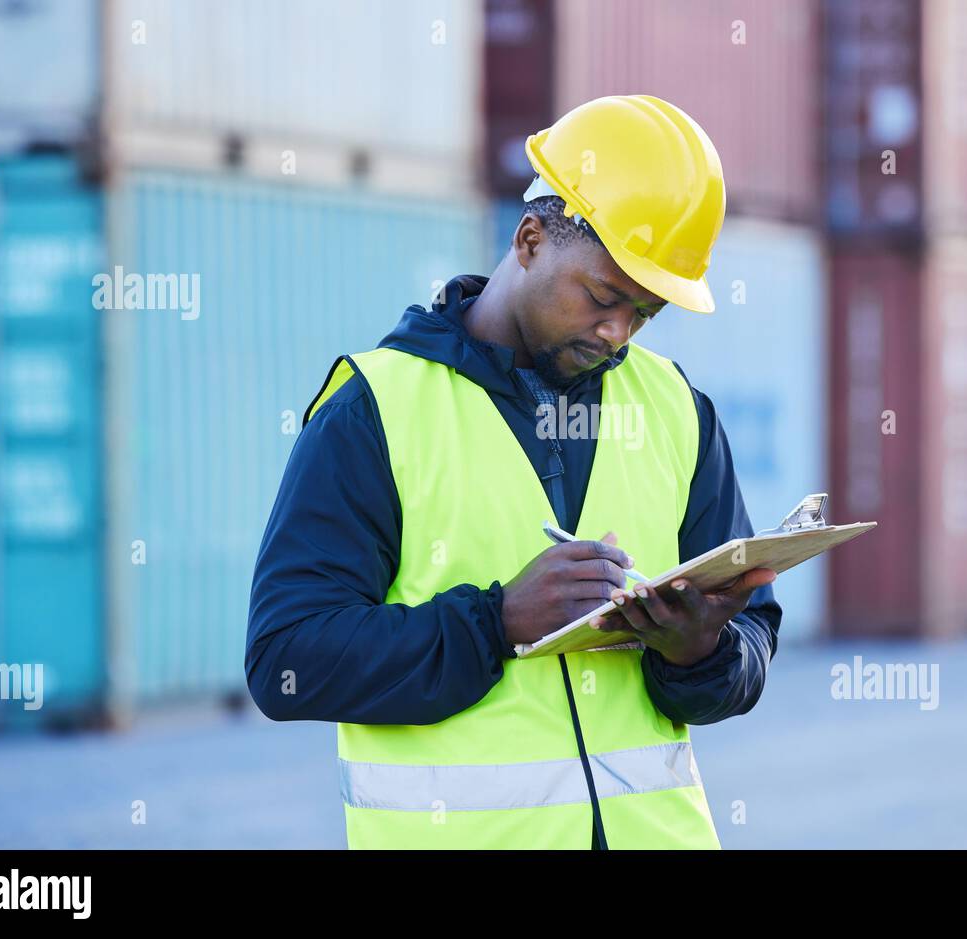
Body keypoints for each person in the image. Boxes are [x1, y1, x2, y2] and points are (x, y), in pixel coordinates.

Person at [246, 95, 781, 849]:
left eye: (646, 313)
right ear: (530, 239)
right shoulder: (375, 412)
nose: (617, 332)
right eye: (603, 297)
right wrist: (493, 623)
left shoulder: (677, 410)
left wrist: (701, 651)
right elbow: (284, 660)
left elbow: (752, 637)